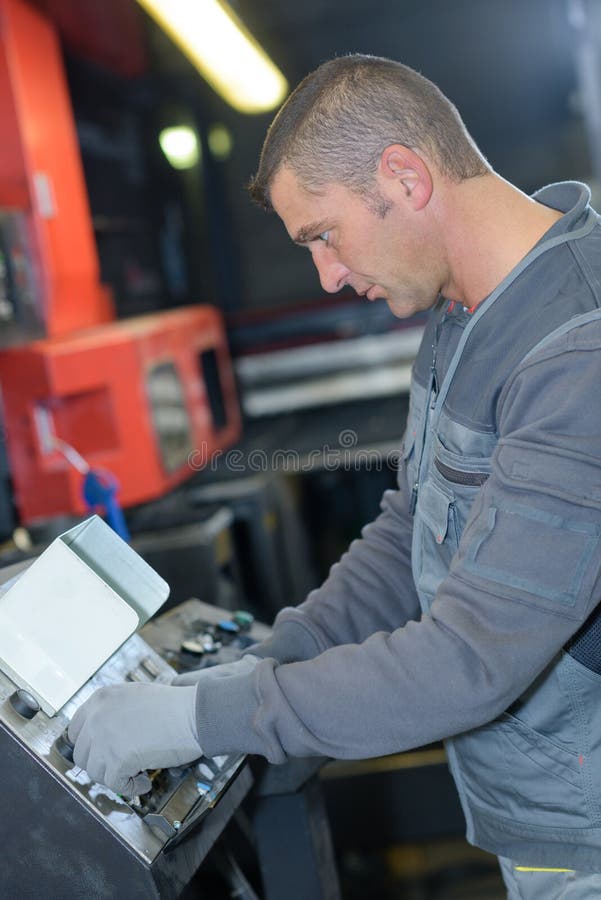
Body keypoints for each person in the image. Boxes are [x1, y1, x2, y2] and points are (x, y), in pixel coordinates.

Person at [69, 55, 601, 898]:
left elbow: (467, 661)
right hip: (542, 814)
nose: (327, 275)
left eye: (323, 234)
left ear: (403, 176)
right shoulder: (466, 312)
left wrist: (200, 718)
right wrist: (270, 661)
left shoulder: (578, 352)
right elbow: (407, 534)